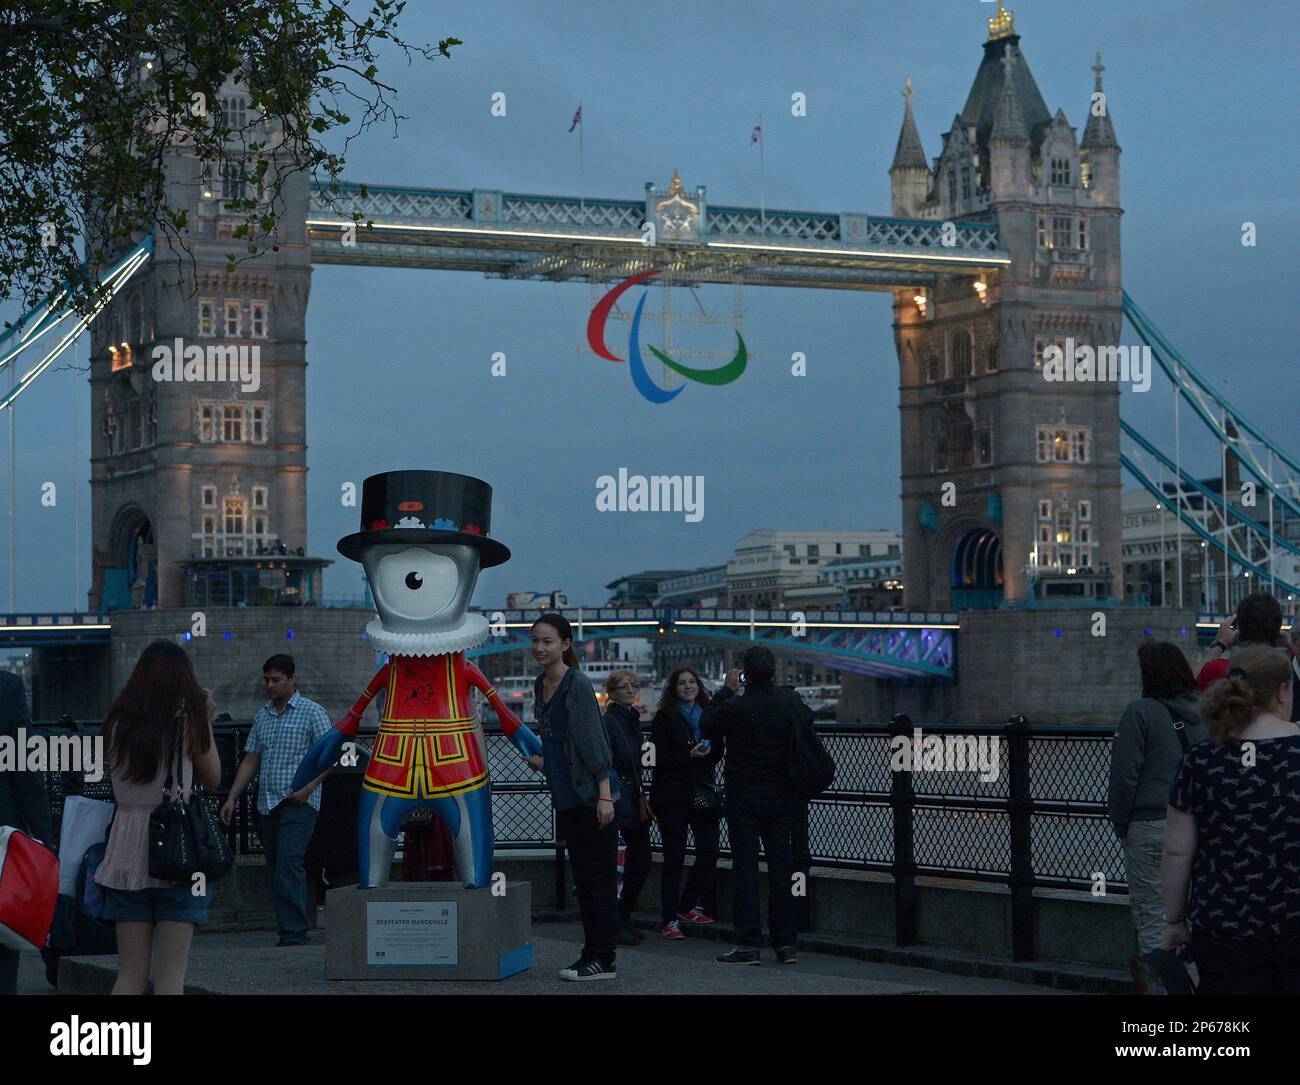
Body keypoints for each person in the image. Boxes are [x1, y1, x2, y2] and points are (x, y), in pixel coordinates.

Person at [1164, 645, 1300, 993]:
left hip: (1224, 929)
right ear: (1283, 690)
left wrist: (1175, 921)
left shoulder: (1201, 760)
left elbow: (1177, 850)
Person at [94, 641, 222, 995]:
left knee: (129, 975)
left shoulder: (117, 722)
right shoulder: (188, 723)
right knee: (169, 979)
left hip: (124, 851)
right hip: (178, 850)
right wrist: (205, 720)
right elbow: (212, 779)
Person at [219, 655, 332, 947]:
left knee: (288, 862)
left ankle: (294, 931)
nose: (269, 685)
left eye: (276, 680)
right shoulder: (263, 715)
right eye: (266, 680)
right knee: (278, 865)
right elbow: (251, 759)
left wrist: (307, 789)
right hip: (267, 802)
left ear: (292, 680)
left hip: (299, 800)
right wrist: (232, 796)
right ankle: (289, 927)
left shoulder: (312, 712)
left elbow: (328, 757)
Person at [531, 613, 619, 981]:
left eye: (547, 641)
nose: (539, 647)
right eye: (535, 640)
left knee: (597, 881)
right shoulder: (540, 685)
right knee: (584, 880)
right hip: (566, 796)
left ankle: (603, 958)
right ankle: (591, 952)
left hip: (590, 799)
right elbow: (558, 740)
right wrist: (543, 762)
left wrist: (604, 796)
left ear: (565, 645)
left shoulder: (576, 685)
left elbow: (595, 744)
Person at [702, 646, 802, 965]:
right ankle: (785, 944)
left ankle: (748, 943)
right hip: (781, 795)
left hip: (743, 794)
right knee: (781, 870)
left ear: (745, 672)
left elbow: (707, 723)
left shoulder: (736, 706)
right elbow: (808, 720)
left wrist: (725, 691)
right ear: (773, 671)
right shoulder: (789, 701)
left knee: (745, 868)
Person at [1107, 641, 1207, 956]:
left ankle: (1163, 988)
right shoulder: (1207, 713)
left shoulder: (1140, 712)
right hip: (1197, 827)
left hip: (1150, 826)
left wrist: (1121, 824)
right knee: (1190, 916)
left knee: (1152, 920)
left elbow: (1124, 777)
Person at [650, 667, 723, 939]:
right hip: (672, 797)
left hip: (701, 793)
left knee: (708, 850)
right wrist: (688, 755)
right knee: (674, 857)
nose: (688, 686)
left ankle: (685, 905)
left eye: (692, 682)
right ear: (674, 689)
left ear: (699, 686)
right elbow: (656, 759)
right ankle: (669, 920)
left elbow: (717, 753)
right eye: (682, 683)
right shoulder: (664, 718)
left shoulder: (707, 716)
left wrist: (712, 750)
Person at [0, 670, 53, 995]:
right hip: (2, 841)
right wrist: (44, 840)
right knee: (3, 944)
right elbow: (26, 772)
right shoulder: (7, 687)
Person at [602, 669, 650, 945]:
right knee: (618, 863)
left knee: (640, 861)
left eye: (633, 685)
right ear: (612, 692)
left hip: (634, 797)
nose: (630, 689)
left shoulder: (632, 719)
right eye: (623, 686)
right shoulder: (609, 722)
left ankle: (624, 916)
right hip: (619, 798)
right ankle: (615, 922)